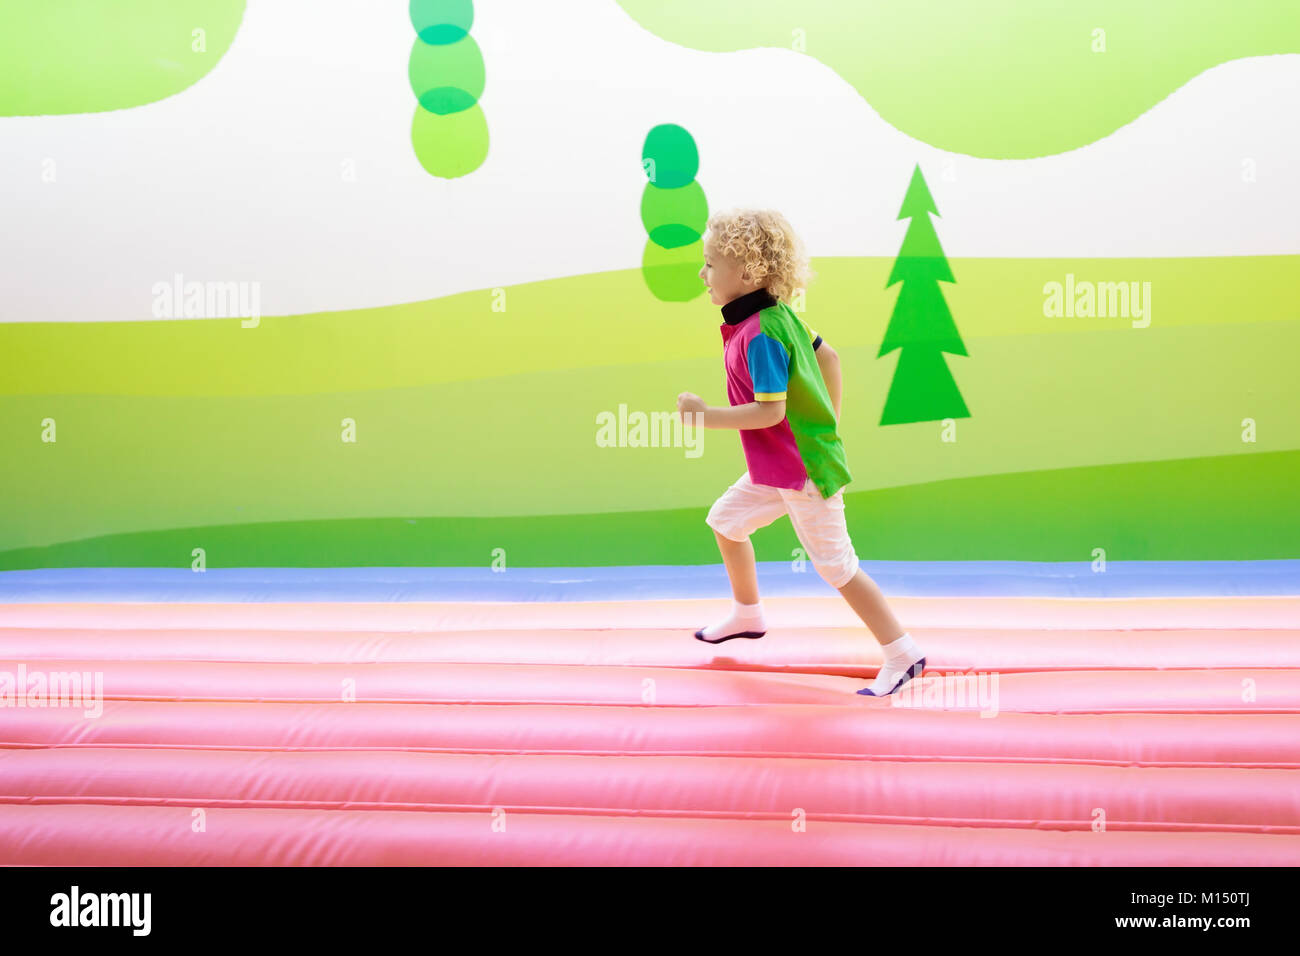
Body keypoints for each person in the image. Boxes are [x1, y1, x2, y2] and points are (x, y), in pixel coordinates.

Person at [675, 208, 926, 696]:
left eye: (709, 264)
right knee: (725, 522)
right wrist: (826, 423)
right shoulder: (774, 315)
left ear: (746, 274)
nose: (702, 274)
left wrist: (705, 415)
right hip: (778, 468)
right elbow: (827, 355)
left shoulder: (762, 333)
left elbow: (769, 413)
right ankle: (748, 615)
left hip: (803, 471)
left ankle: (903, 653)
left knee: (838, 567)